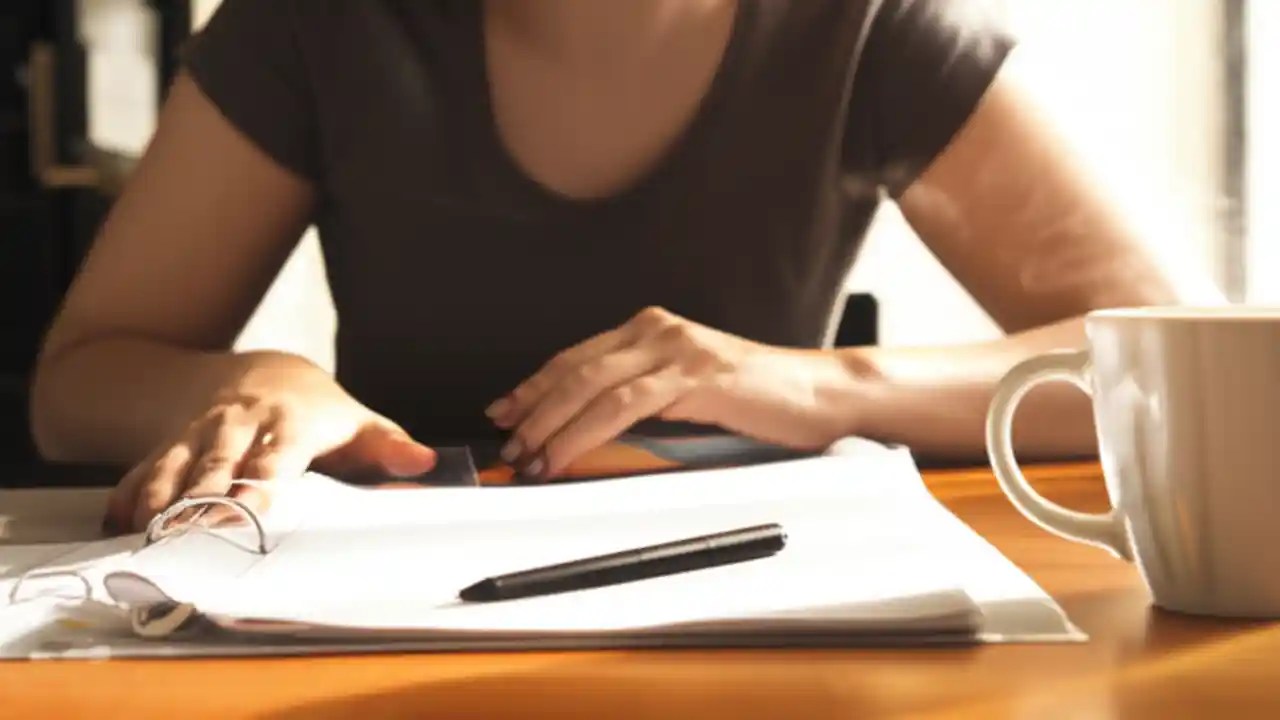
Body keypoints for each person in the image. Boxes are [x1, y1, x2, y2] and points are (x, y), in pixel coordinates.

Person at [30, 0, 1191, 533]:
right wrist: (264, 381)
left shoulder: (870, 28)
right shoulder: (312, 30)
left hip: (764, 599)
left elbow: (1168, 364)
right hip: (360, 605)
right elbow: (75, 386)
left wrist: (806, 384)